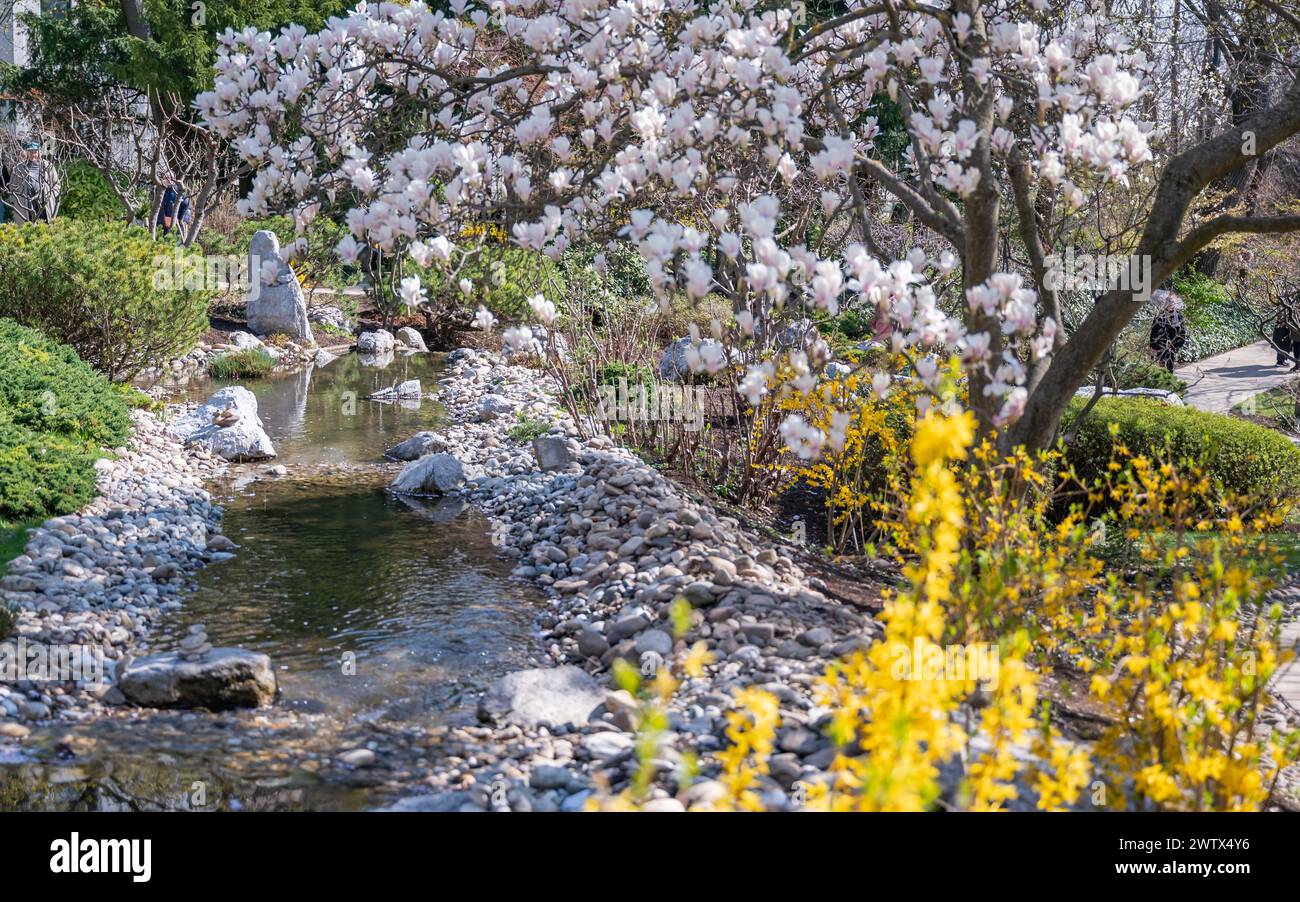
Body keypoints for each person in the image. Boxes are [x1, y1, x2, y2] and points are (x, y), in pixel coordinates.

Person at [8, 141, 60, 223]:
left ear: (39, 152)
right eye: (30, 152)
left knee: (45, 226)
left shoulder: (48, 166)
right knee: (28, 227)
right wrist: (14, 201)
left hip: (44, 202)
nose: (33, 155)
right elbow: (12, 186)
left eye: (35, 152)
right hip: (25, 203)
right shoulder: (18, 168)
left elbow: (56, 184)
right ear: (27, 153)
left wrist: (53, 196)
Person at [1148, 292, 1188, 371]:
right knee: (1160, 367)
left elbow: (1182, 333)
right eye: (1168, 301)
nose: (1170, 303)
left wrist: (1176, 345)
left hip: (1171, 347)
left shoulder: (1178, 317)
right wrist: (1152, 346)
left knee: (1169, 367)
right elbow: (1153, 331)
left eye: (1171, 301)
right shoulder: (1160, 315)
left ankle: (1168, 380)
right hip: (1160, 346)